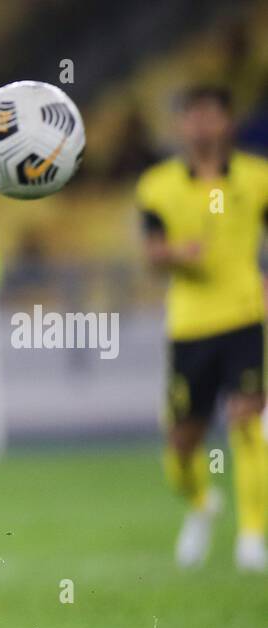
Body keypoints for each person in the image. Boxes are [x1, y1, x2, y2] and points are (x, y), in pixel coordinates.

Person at [136, 85, 268, 571]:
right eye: (192, 116)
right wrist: (174, 255)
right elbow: (151, 252)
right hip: (190, 326)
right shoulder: (157, 186)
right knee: (181, 444)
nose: (202, 126)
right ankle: (200, 504)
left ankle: (253, 536)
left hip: (244, 316)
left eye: (211, 115)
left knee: (247, 420)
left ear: (228, 122)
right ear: (180, 125)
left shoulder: (258, 179)